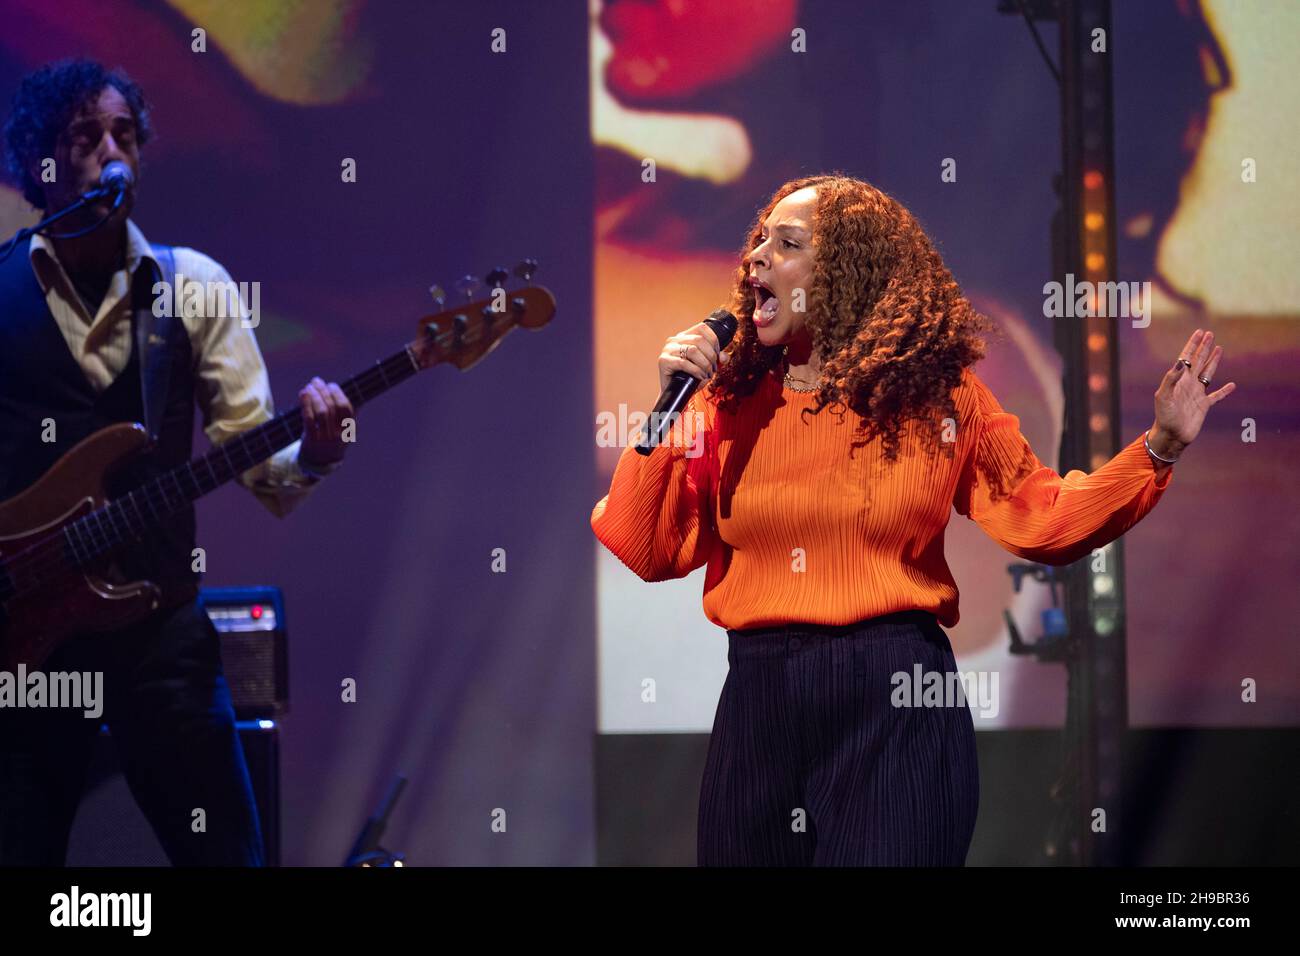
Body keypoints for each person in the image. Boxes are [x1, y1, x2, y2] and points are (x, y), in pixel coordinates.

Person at [590, 174, 1235, 866]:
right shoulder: (727, 404)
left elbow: (1043, 521)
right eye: (757, 242)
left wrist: (1159, 448)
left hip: (894, 698)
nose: (755, 259)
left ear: (846, 272)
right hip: (760, 705)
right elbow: (644, 547)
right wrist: (670, 408)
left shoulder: (939, 397)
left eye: (786, 244)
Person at [0, 59, 354, 865]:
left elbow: (255, 459)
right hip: (23, 639)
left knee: (226, 855)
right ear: (41, 166)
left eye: (124, 135)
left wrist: (320, 450)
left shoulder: (192, 287)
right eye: (86, 137)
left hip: (157, 628)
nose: (111, 154)